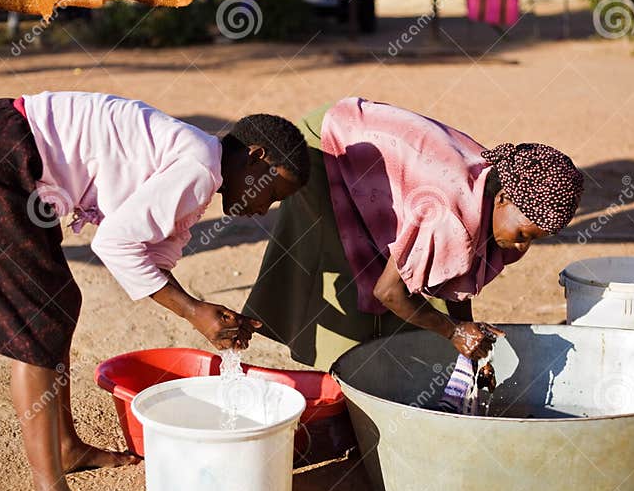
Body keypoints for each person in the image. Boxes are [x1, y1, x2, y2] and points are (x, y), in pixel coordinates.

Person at [0, 92, 309, 491]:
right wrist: (194, 311)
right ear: (256, 156)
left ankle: (66, 446)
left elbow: (148, 253)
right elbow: (115, 244)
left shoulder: (197, 162)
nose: (263, 209)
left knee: (56, 303)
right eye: (272, 192)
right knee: (38, 319)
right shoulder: (198, 167)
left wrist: (204, 313)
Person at [244, 97, 584, 370]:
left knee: (405, 273)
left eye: (535, 240)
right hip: (329, 147)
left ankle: (377, 370)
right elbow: (388, 292)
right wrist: (453, 331)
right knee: (348, 268)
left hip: (373, 158)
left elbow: (456, 277)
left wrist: (467, 327)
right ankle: (339, 385)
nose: (522, 246)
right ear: (504, 198)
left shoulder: (493, 184)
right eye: (524, 233)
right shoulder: (447, 209)